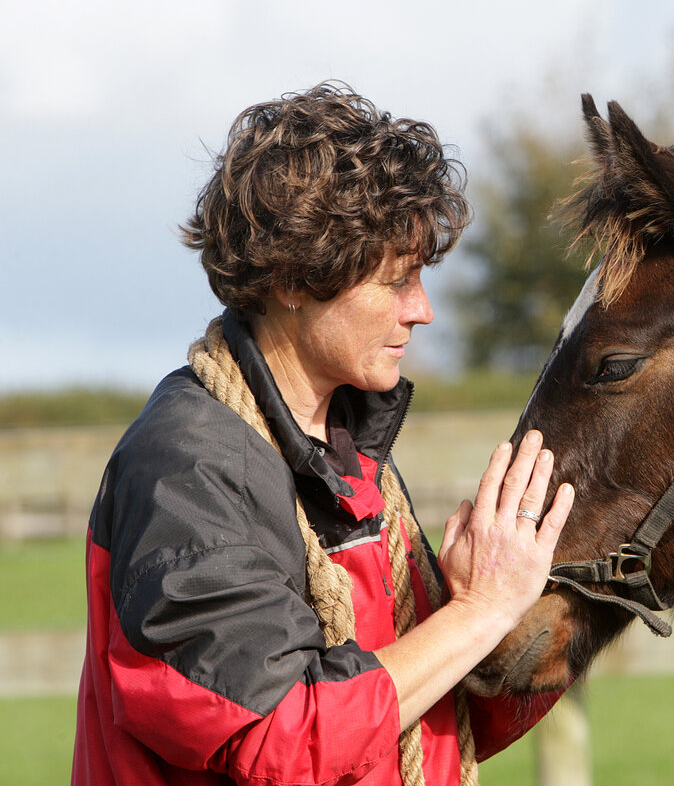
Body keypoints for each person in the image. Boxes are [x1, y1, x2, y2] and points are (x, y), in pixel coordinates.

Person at [72, 82, 574, 786]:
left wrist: (511, 613)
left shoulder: (347, 450)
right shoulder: (185, 470)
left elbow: (431, 729)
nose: (423, 309)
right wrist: (478, 611)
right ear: (294, 278)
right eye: (398, 281)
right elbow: (283, 737)